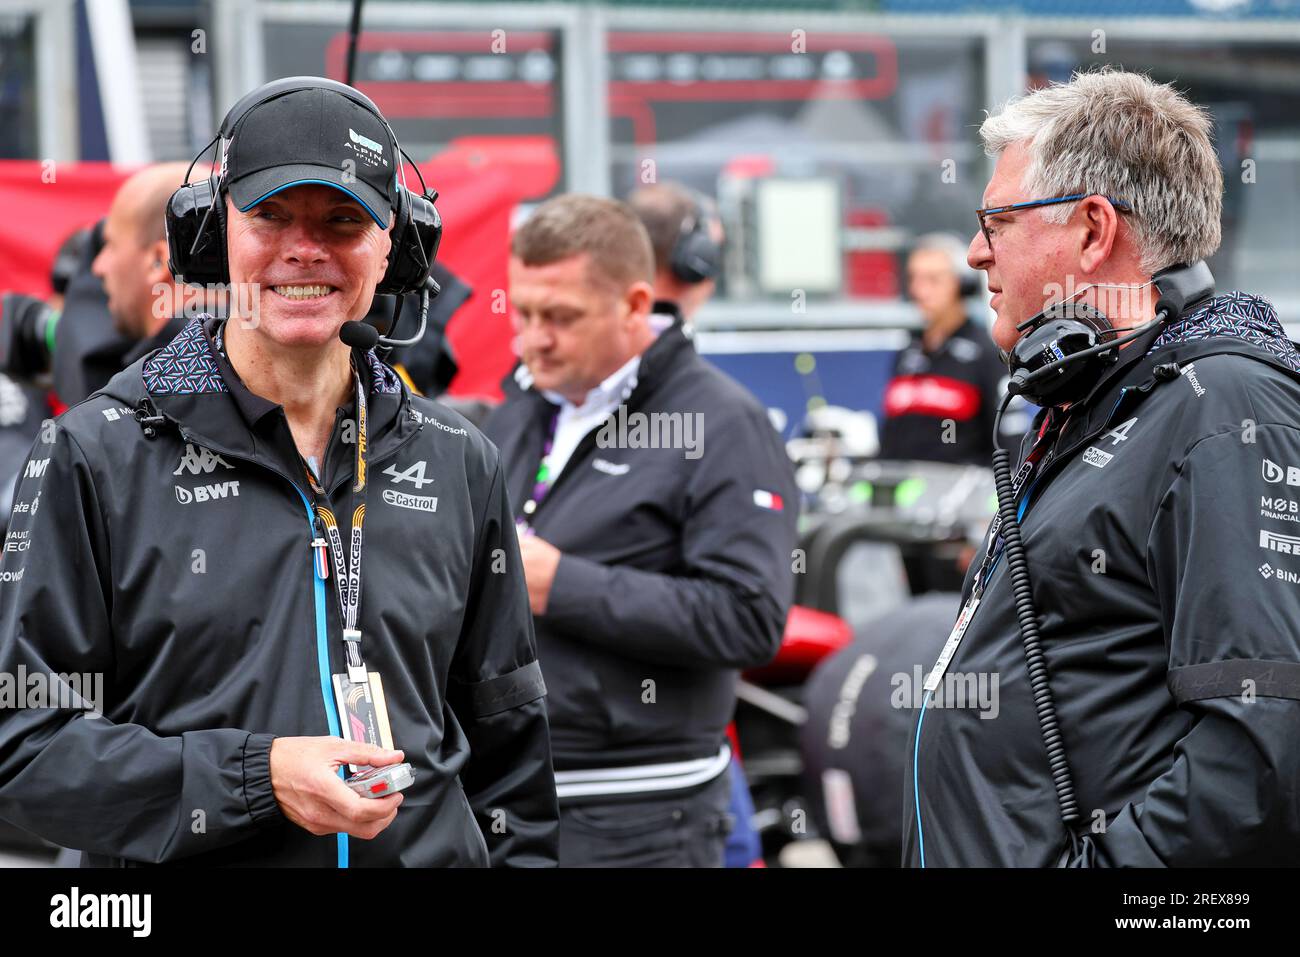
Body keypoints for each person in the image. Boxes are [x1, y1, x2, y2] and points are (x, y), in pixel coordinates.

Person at [0, 76, 558, 867]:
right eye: (269, 216)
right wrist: (254, 775)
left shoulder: (458, 456)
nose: (306, 248)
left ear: (394, 245)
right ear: (209, 233)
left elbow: (511, 750)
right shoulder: (97, 454)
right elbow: (21, 747)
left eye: (343, 219)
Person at [903, 68, 1300, 866]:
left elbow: (1263, 745)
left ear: (1092, 230)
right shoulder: (1094, 397)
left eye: (996, 220)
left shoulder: (1223, 405)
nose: (976, 251)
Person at [483, 194, 798, 867]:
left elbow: (750, 617)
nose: (534, 336)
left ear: (633, 305)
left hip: (643, 819)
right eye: (525, 313)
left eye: (560, 317)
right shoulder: (517, 409)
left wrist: (562, 584)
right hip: (509, 801)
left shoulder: (723, 423)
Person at [877, 233, 1006, 465]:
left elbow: (1007, 445)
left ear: (961, 284)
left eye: (933, 280)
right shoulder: (907, 353)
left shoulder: (985, 355)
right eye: (914, 279)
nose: (919, 291)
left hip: (962, 496)